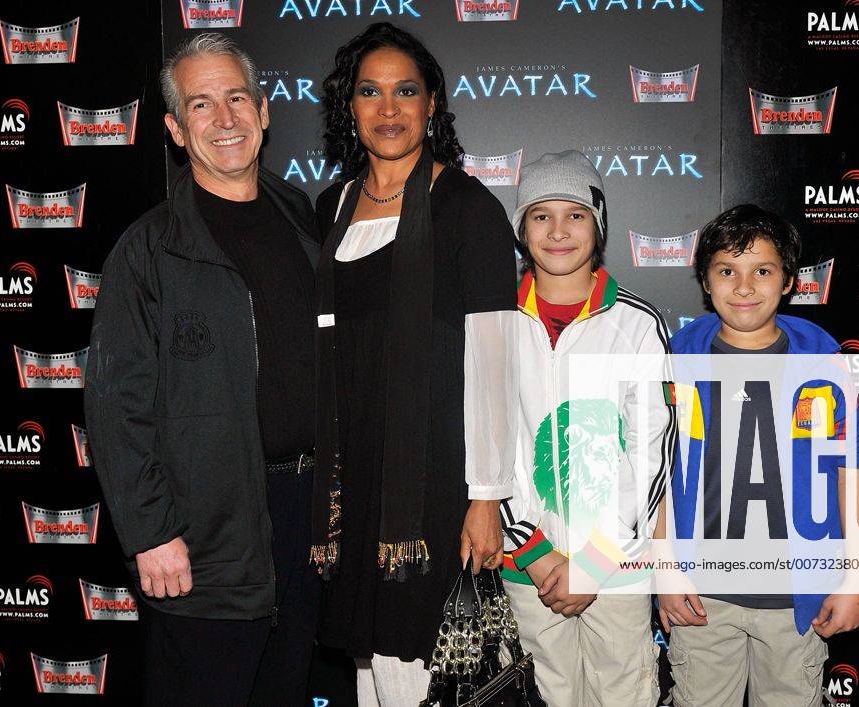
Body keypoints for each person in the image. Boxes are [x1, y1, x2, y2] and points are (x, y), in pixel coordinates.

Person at [84, 33, 323, 705]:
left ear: (264, 111)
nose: (225, 119)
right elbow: (114, 406)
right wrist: (152, 532)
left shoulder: (304, 220)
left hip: (307, 522)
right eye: (201, 104)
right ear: (175, 129)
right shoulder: (148, 250)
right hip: (204, 534)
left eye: (237, 98)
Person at [309, 22, 518, 705]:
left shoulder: (469, 209)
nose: (389, 108)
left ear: (432, 105)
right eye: (370, 92)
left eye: (406, 91)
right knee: (370, 668)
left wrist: (485, 497)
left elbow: (493, 363)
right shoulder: (331, 207)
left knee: (418, 668)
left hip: (433, 487)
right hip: (352, 484)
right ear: (349, 107)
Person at [661, 204, 859, 707]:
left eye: (762, 271)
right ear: (705, 282)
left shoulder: (821, 364)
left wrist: (858, 577)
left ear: (789, 281)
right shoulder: (679, 359)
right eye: (726, 271)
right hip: (702, 596)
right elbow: (664, 470)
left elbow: (851, 470)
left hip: (794, 601)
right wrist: (665, 567)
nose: (744, 286)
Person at [500, 150, 674, 706]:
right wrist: (534, 550)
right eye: (541, 215)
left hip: (615, 569)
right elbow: (487, 446)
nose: (558, 231)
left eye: (575, 214)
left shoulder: (638, 324)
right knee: (544, 696)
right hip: (528, 565)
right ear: (521, 228)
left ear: (598, 225)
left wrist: (596, 561)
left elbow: (651, 456)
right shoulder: (493, 321)